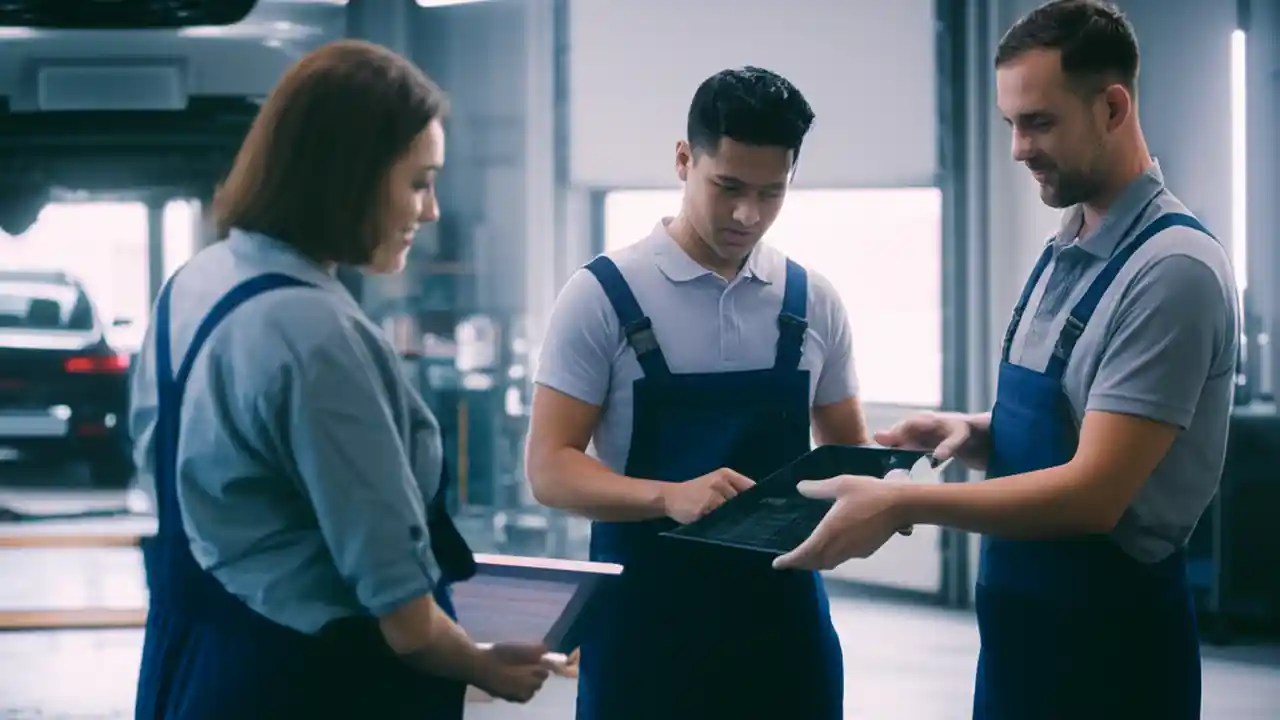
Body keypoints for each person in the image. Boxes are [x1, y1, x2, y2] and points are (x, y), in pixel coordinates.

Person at [775, 2, 1239, 718]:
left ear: (1113, 107)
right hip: (1022, 638)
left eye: (1039, 122)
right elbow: (1082, 415)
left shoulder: (1172, 270)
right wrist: (980, 433)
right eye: (1011, 124)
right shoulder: (1069, 246)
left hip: (1111, 651)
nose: (1019, 148)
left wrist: (903, 501)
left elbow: (1094, 494)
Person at [129, 40, 552, 719]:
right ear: (347, 174)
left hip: (194, 657)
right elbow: (407, 624)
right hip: (304, 683)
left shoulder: (196, 282)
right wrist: (484, 666)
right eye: (419, 182)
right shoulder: (318, 335)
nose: (433, 210)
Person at [526, 66, 869, 719]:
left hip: (785, 632)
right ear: (685, 160)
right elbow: (548, 469)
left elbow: (848, 458)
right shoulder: (602, 297)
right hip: (644, 637)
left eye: (772, 192)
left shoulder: (813, 302)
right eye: (728, 186)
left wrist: (886, 487)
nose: (748, 214)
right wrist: (667, 496)